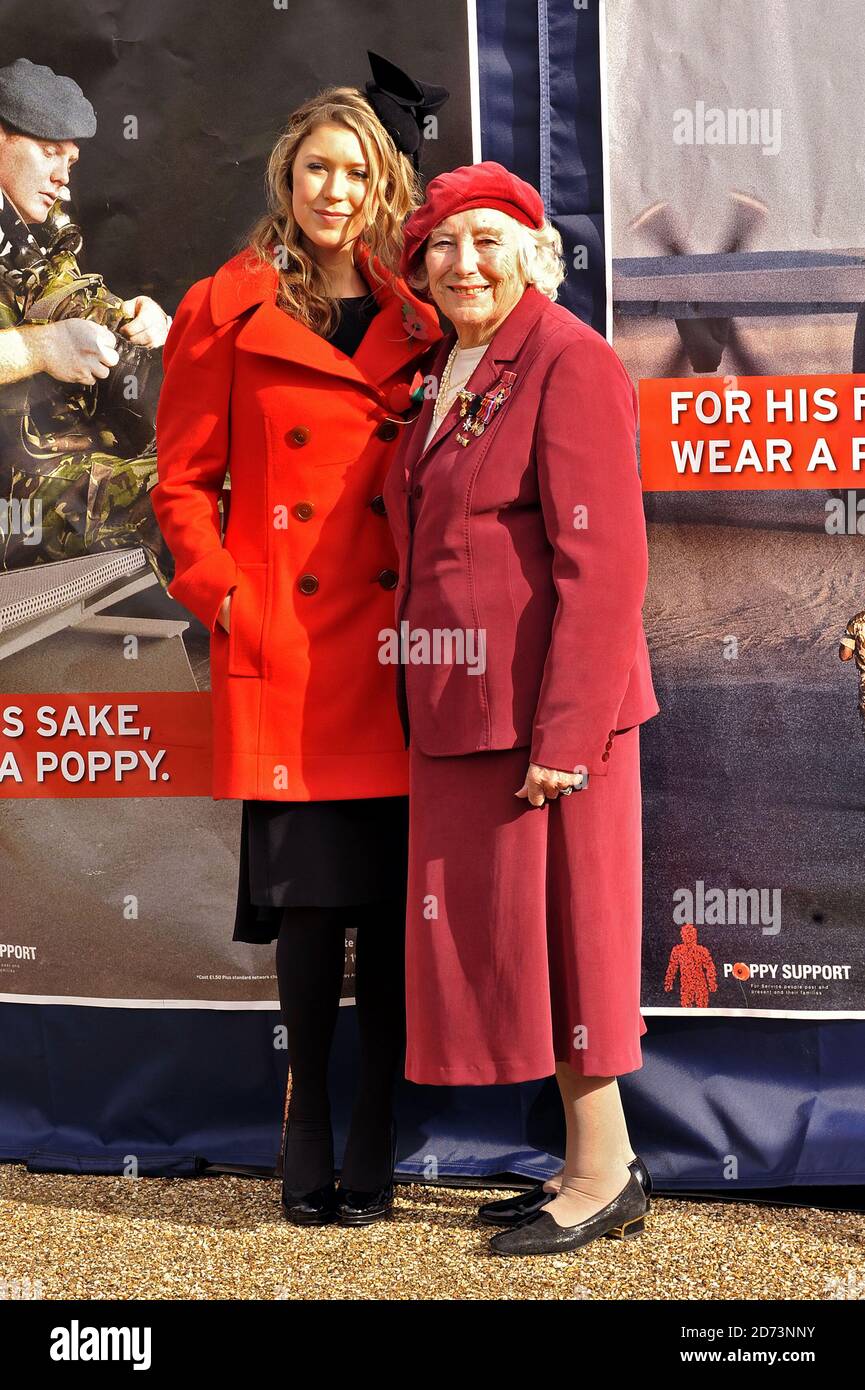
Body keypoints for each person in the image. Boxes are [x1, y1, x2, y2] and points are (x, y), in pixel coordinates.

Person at [152, 71, 445, 1227]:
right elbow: (180, 484)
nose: (336, 188)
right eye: (318, 166)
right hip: (292, 640)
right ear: (288, 176)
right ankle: (307, 1121)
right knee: (315, 906)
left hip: (403, 652)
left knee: (390, 905)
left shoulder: (423, 313)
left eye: (356, 171)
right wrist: (227, 599)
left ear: (382, 187)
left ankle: (376, 1119)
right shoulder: (221, 306)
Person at [381, 161, 661, 1256]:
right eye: (445, 245)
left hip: (551, 722)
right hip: (460, 710)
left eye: (489, 240)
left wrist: (568, 736)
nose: (465, 263)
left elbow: (607, 564)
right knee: (517, 947)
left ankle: (602, 1175)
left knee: (573, 939)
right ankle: (593, 1160)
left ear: (532, 253)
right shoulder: (446, 367)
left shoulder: (568, 359)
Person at [0, 57, 172, 580]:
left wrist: (135, 318)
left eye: (70, 162)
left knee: (217, 475)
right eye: (49, 152)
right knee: (182, 507)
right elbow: (44, 338)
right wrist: (40, 349)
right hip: (15, 504)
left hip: (54, 453)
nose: (61, 178)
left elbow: (64, 299)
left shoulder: (28, 227)